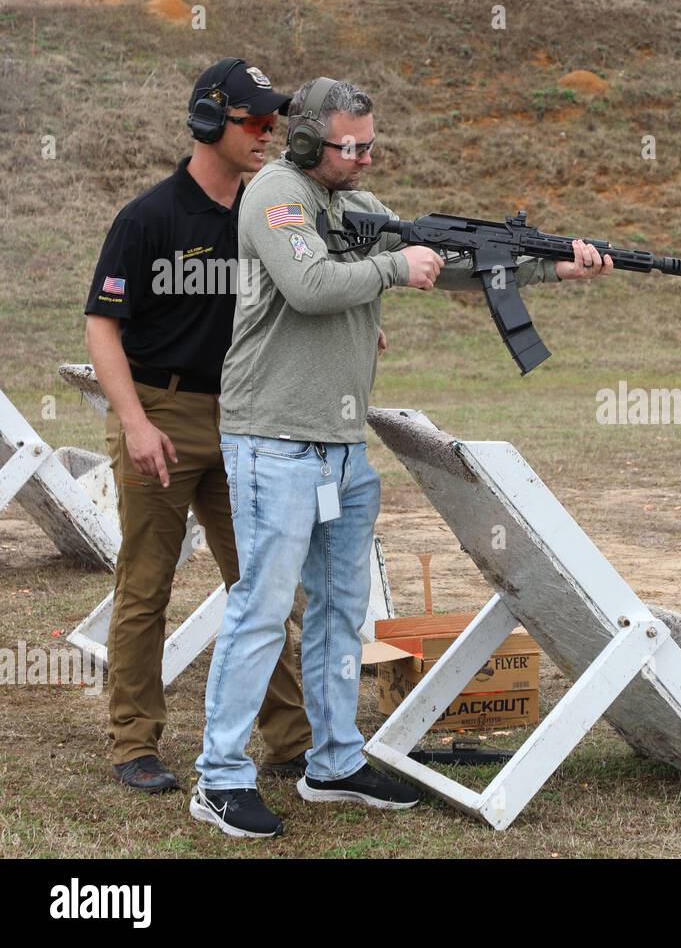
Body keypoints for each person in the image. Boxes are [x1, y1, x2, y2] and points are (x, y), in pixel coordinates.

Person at [190, 76, 614, 837]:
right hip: (273, 440)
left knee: (340, 610)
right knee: (261, 610)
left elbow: (444, 264)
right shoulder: (275, 196)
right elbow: (310, 283)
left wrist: (550, 266)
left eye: (372, 144)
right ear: (311, 139)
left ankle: (334, 760)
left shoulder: (359, 207)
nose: (365, 159)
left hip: (342, 449)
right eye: (350, 147)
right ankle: (219, 778)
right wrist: (394, 267)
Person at [83, 59, 314, 794]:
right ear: (211, 122)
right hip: (163, 412)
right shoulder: (148, 217)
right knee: (146, 583)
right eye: (254, 121)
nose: (268, 134)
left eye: (273, 122)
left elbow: (299, 295)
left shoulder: (267, 215)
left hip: (248, 414)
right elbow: (101, 327)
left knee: (265, 582)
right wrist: (135, 422)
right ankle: (134, 742)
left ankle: (291, 741)